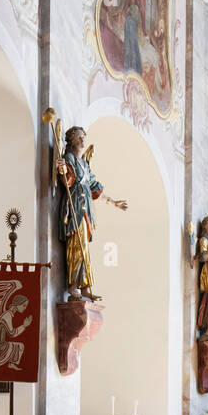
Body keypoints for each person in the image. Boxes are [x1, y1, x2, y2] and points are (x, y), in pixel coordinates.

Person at [56, 127, 127, 300]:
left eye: (83, 137)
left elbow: (95, 189)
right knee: (77, 246)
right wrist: (62, 169)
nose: (82, 141)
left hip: (86, 210)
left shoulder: (85, 165)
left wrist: (114, 202)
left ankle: (86, 286)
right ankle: (73, 285)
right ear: (71, 140)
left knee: (85, 249)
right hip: (75, 208)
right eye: (79, 137)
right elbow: (67, 177)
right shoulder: (69, 158)